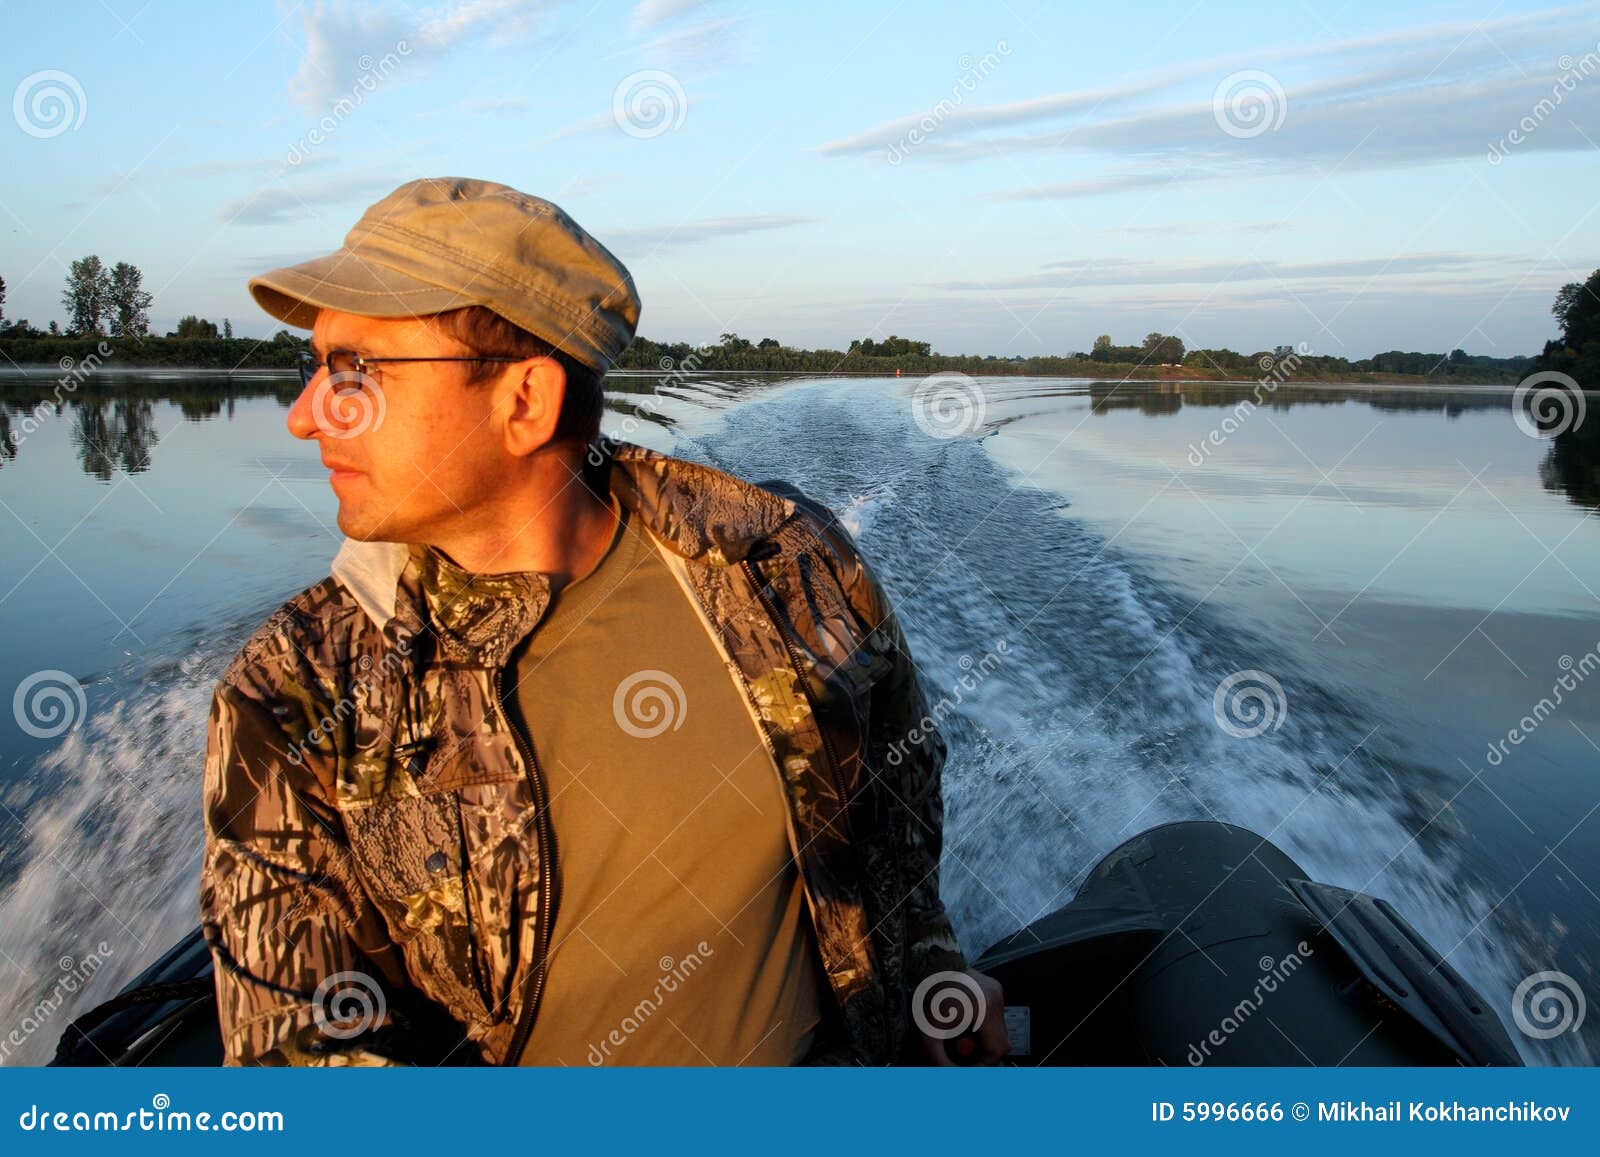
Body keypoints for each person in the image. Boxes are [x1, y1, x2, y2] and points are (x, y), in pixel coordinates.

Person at [199, 176, 1006, 1067]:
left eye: (356, 371)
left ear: (524, 403)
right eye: (314, 370)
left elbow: (900, 785)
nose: (306, 414)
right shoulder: (294, 693)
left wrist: (928, 963)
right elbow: (299, 1051)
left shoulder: (782, 561)